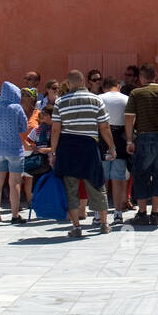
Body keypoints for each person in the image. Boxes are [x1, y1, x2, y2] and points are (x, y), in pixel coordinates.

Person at [51, 70, 117, 237]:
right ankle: (103, 224)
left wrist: (53, 151)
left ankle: (76, 226)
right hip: (89, 146)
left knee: (70, 188)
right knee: (96, 183)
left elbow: (56, 129)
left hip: (67, 147)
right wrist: (112, 147)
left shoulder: (60, 101)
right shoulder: (96, 100)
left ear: (69, 82)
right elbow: (104, 127)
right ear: (83, 82)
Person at [125, 63, 158, 226]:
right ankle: (156, 213)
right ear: (155, 76)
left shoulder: (136, 93)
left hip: (144, 138)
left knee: (141, 175)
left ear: (141, 77)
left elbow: (130, 117)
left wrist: (129, 140)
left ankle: (142, 213)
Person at [0, 76, 27, 225]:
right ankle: (15, 215)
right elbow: (23, 127)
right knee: (15, 183)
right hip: (15, 150)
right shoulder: (17, 108)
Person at [97, 76, 130, 223]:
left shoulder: (99, 98)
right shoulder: (126, 99)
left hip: (102, 137)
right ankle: (118, 212)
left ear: (104, 86)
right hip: (121, 138)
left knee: (101, 178)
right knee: (118, 178)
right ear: (118, 85)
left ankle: (99, 214)